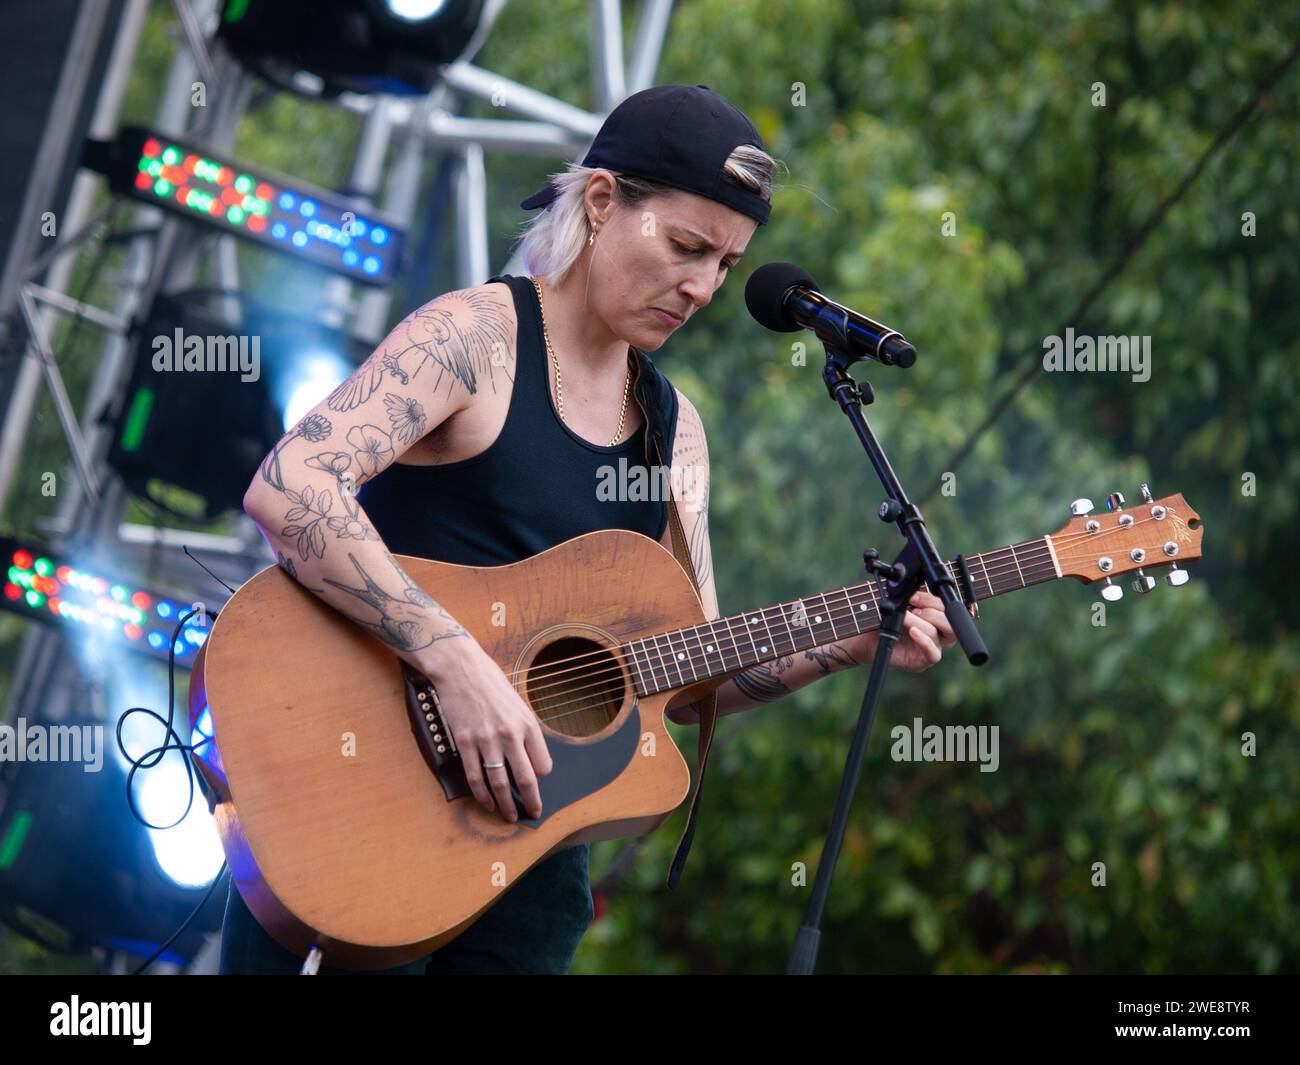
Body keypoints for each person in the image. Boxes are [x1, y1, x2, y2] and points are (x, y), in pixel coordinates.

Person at [222, 84, 956, 975]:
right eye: (687, 246)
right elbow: (291, 483)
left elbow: (698, 678)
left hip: (533, 862)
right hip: (354, 793)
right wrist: (455, 664)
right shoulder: (476, 337)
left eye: (726, 265)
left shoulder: (674, 431)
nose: (702, 287)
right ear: (603, 203)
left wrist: (846, 640)